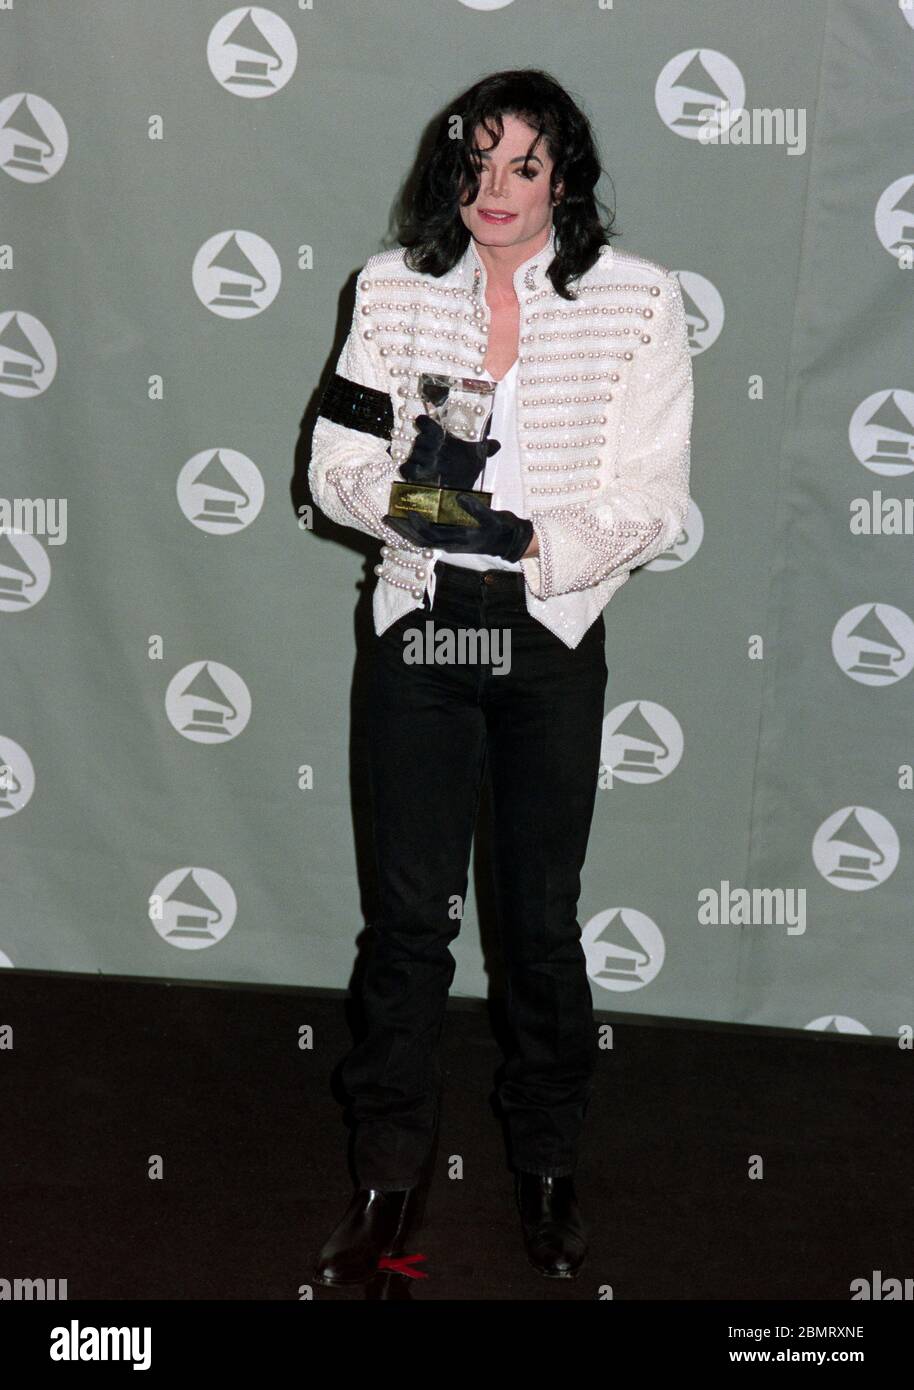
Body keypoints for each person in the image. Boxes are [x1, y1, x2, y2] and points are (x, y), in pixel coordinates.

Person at [307, 68, 693, 1285]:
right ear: (450, 170)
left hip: (545, 628)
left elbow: (653, 500)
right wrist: (434, 517)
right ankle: (387, 1175)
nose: (495, 189)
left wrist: (525, 539)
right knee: (409, 921)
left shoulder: (636, 302)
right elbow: (332, 464)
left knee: (536, 921)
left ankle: (543, 1161)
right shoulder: (388, 289)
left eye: (522, 165)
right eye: (476, 163)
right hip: (424, 620)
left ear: (562, 176)